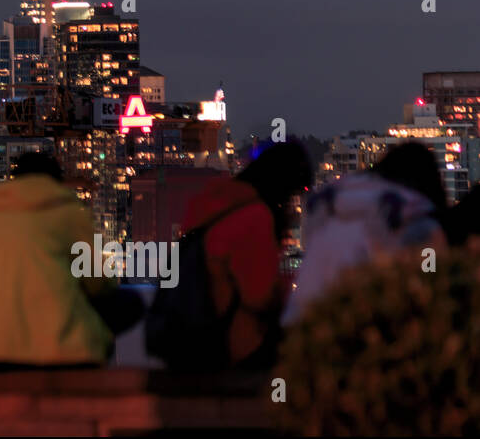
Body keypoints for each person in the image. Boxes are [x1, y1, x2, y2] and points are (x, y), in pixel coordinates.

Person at [0, 151, 114, 371]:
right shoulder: (68, 212)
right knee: (127, 304)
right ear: (56, 181)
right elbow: (99, 282)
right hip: (58, 348)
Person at [174, 141, 312, 367]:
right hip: (228, 344)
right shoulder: (256, 217)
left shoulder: (208, 200)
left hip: (183, 334)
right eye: (295, 193)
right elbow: (258, 296)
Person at [285, 142, 445, 327]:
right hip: (363, 327)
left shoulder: (327, 201)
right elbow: (433, 277)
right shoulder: (414, 214)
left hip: (301, 322)